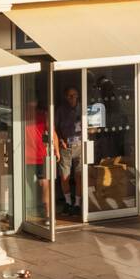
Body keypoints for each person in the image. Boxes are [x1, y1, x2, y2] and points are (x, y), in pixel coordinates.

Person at [55, 84, 83, 215]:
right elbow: (55, 128)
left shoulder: (82, 108)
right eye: (70, 96)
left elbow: (92, 125)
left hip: (80, 145)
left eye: (75, 95)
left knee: (79, 176)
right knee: (64, 176)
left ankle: (77, 204)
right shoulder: (61, 110)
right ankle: (67, 202)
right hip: (66, 146)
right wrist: (60, 140)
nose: (73, 98)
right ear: (66, 97)